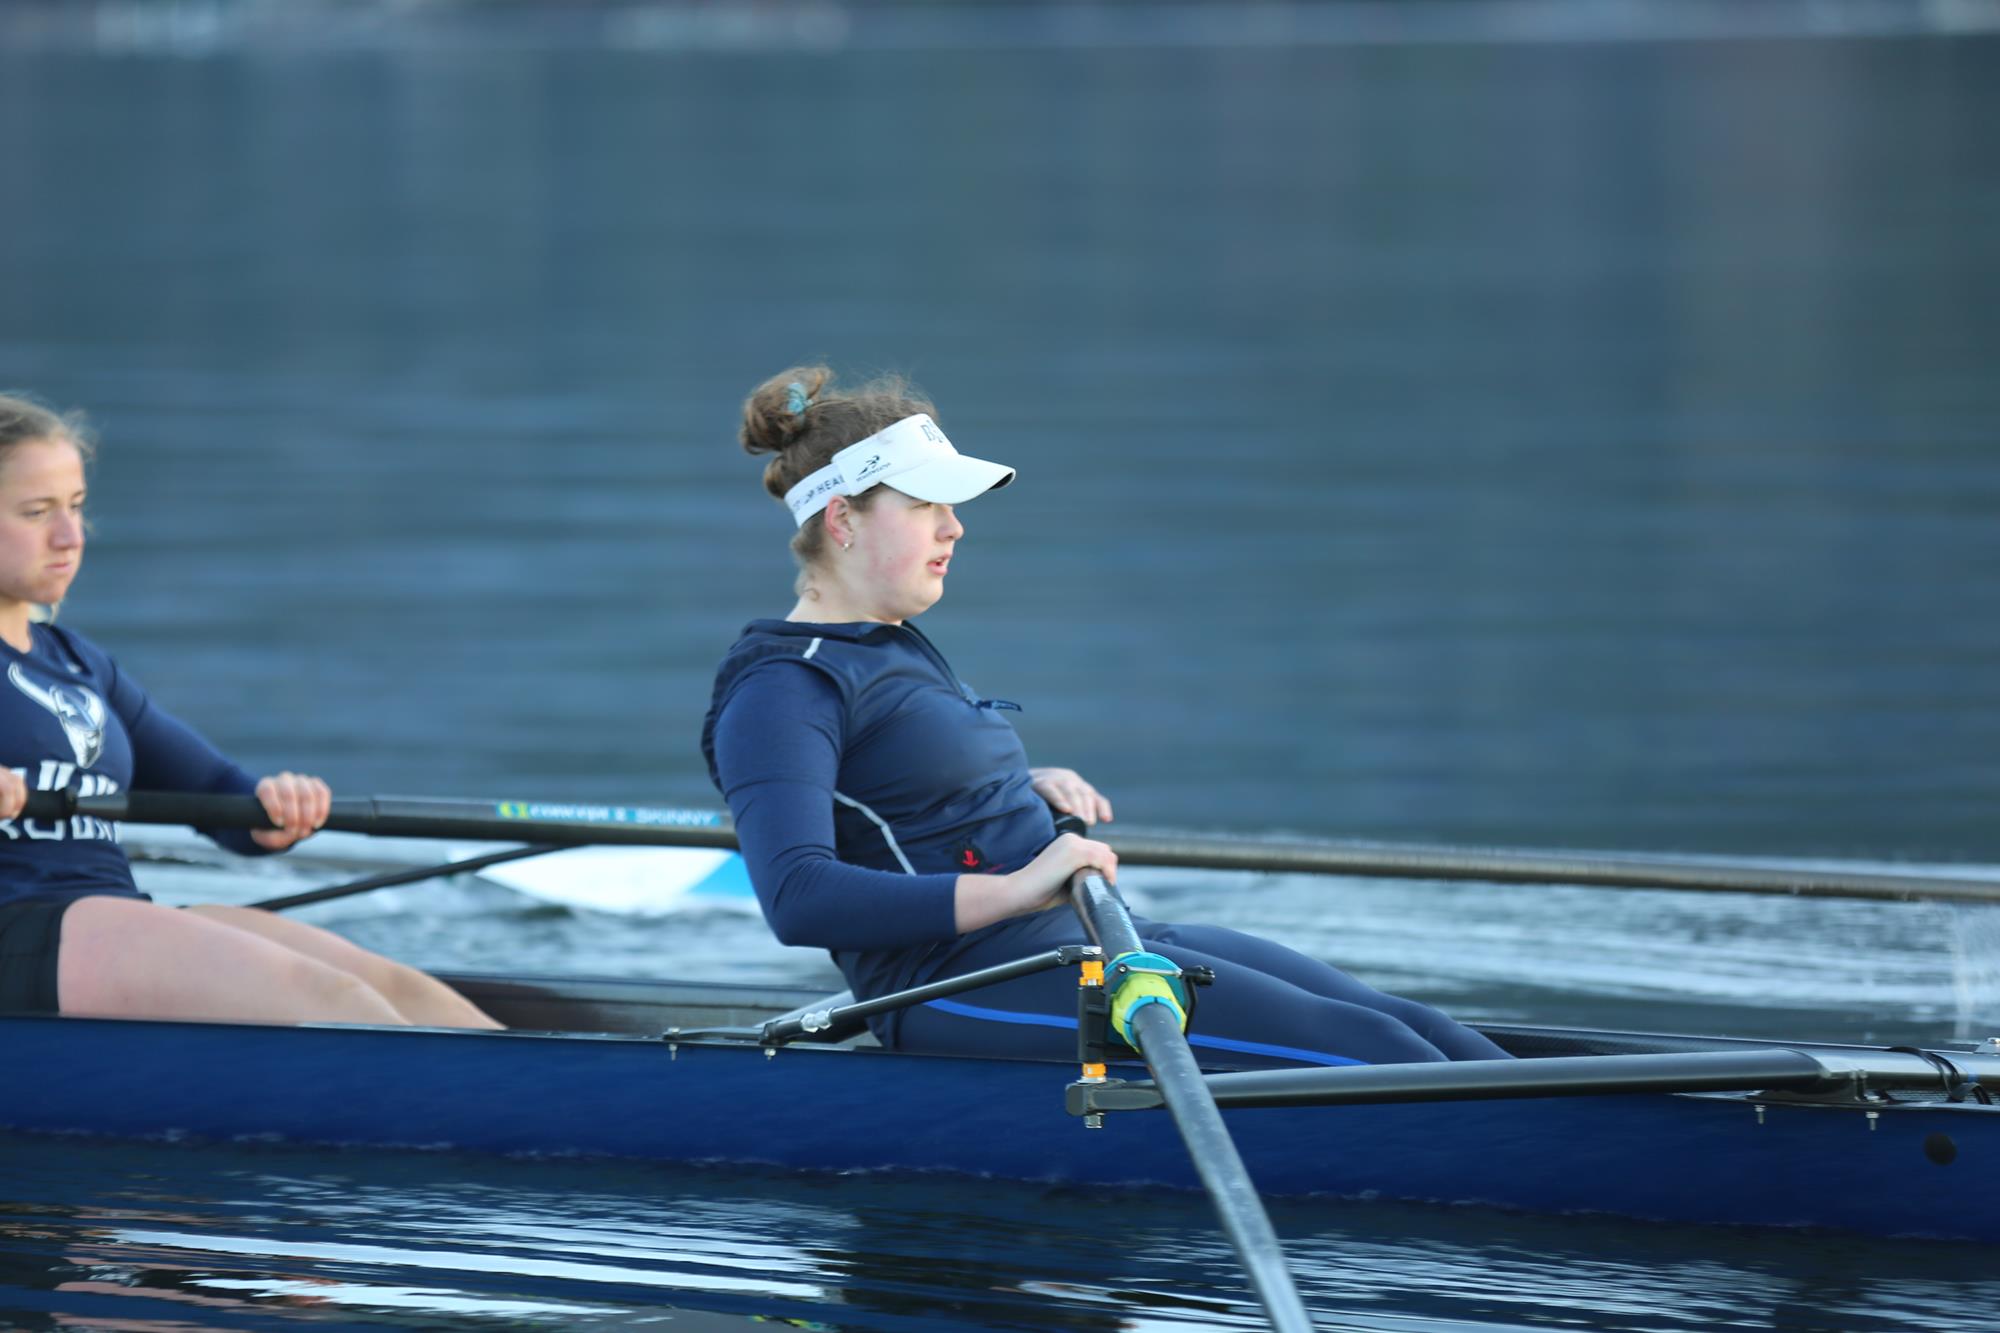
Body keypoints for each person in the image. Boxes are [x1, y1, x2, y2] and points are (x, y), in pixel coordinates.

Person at [703, 367, 1507, 1068]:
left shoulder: (892, 643)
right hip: (963, 983)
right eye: (925, 506)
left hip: (1083, 936)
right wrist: (1022, 885)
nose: (955, 526)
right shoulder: (780, 691)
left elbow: (899, 794)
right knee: (1384, 1056)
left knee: (1419, 1027)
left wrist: (1021, 786)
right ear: (842, 520)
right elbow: (800, 897)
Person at [0, 393, 499, 1028]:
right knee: (336, 1007)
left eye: (75, 508)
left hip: (105, 922)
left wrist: (274, 808)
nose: (70, 537)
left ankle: (559, 1107)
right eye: (36, 513)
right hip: (17, 932)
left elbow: (215, 791)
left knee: (402, 993)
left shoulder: (81, 665)